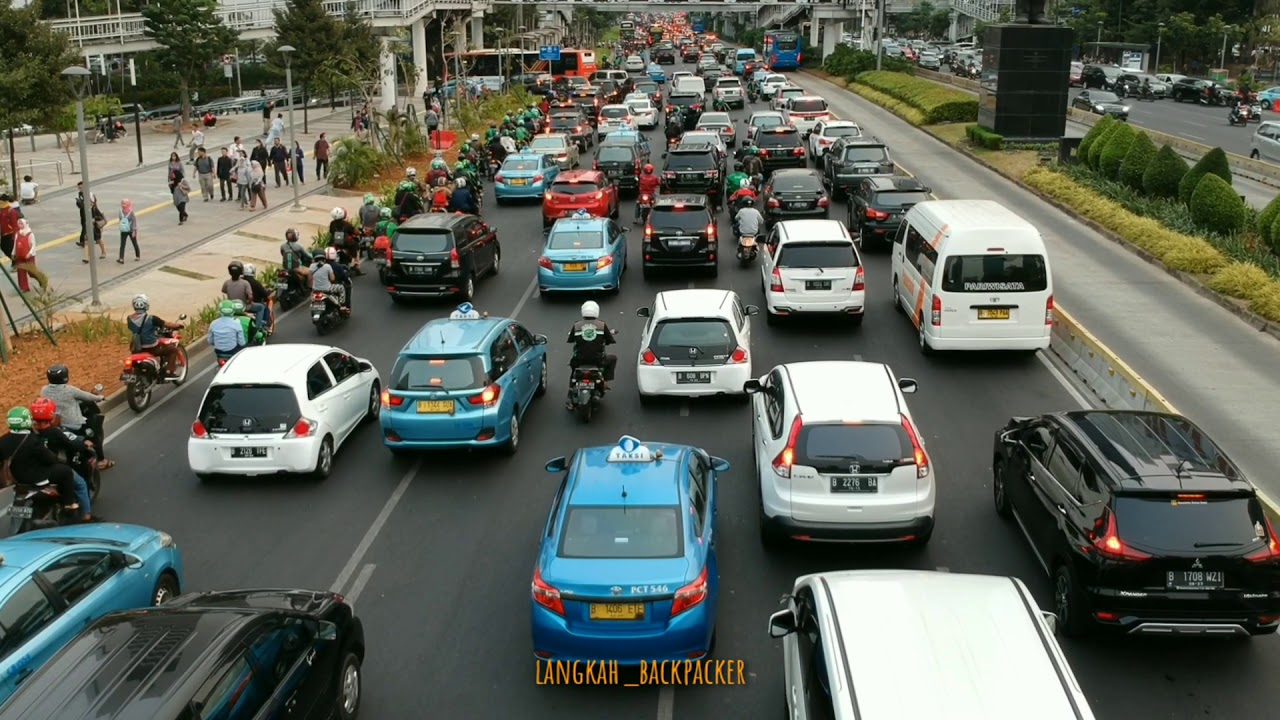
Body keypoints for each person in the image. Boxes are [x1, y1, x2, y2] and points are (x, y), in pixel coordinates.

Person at [0, 407, 95, 523]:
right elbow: (49, 458)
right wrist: (61, 462)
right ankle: (70, 506)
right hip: (37, 477)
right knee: (66, 472)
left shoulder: (3, 441)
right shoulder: (32, 439)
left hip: (18, 480)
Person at [38, 365, 110, 468]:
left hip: (54, 423)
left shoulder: (44, 390)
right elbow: (87, 396)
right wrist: (99, 397)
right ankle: (101, 461)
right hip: (73, 425)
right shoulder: (69, 390)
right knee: (94, 429)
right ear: (65, 377)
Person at [29, 398, 97, 503]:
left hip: (33, 470)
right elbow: (71, 444)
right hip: (53, 469)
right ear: (51, 415)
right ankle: (85, 515)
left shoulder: (30, 433)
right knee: (81, 484)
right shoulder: (54, 432)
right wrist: (84, 446)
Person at [566, 301, 617, 409]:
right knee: (613, 358)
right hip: (598, 360)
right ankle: (605, 382)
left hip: (579, 360)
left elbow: (570, 340)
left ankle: (570, 395)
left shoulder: (576, 325)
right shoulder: (602, 325)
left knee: (573, 370)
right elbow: (610, 340)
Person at [126, 294, 184, 377]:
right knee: (172, 349)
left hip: (137, 348)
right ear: (146, 305)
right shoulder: (152, 318)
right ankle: (169, 372)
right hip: (152, 348)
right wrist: (178, 325)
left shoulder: (129, 319)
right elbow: (167, 324)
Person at [223, 260, 268, 329]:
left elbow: (224, 291)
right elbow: (250, 296)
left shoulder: (226, 283)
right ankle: (257, 327)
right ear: (241, 271)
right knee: (261, 307)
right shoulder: (245, 283)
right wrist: (250, 302)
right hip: (243, 307)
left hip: (232, 307)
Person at [12, 219, 48, 293]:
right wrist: (13, 253)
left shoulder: (30, 234)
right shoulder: (17, 234)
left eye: (21, 224)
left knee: (32, 272)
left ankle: (42, 280)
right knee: (21, 272)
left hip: (29, 256)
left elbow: (33, 245)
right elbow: (15, 245)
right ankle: (24, 287)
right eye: (19, 224)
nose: (20, 225)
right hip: (20, 256)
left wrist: (30, 253)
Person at [242, 263, 274, 334]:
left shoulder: (240, 281)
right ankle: (262, 326)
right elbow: (265, 295)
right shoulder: (255, 283)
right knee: (263, 307)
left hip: (241, 304)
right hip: (252, 305)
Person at [328, 207, 361, 275]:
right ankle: (356, 264)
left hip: (335, 242)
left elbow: (331, 232)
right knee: (356, 246)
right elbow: (354, 231)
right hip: (346, 243)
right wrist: (359, 233)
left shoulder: (332, 224)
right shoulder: (346, 224)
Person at [325, 246, 352, 310]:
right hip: (331, 287)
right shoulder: (337, 266)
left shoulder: (319, 265)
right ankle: (344, 305)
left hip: (319, 288)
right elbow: (343, 277)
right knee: (347, 287)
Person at [117, 199, 140, 264]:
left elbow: (134, 221)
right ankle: (121, 258)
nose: (123, 205)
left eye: (124, 204)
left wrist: (134, 231)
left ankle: (137, 255)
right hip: (123, 230)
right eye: (122, 204)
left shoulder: (131, 212)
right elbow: (120, 220)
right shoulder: (120, 211)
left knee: (134, 243)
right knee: (122, 244)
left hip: (130, 230)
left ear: (127, 204)